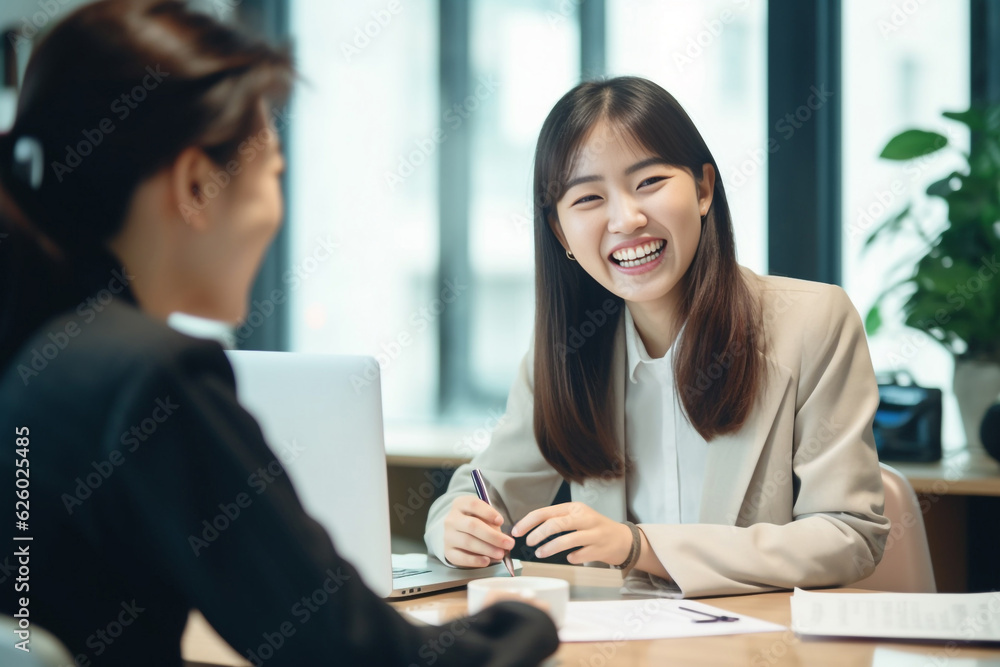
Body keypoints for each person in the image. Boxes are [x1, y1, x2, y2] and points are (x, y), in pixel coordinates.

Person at [0, 2, 558, 665]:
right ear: (197, 184)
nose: (276, 207)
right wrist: (530, 622)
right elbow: (355, 654)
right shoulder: (146, 375)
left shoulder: (40, 351)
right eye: (272, 175)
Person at [425, 76, 890, 598]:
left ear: (703, 190)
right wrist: (454, 524)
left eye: (648, 183)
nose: (627, 218)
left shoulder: (814, 323)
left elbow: (850, 534)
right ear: (561, 235)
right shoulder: (566, 353)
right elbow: (487, 488)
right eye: (588, 198)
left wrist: (639, 546)